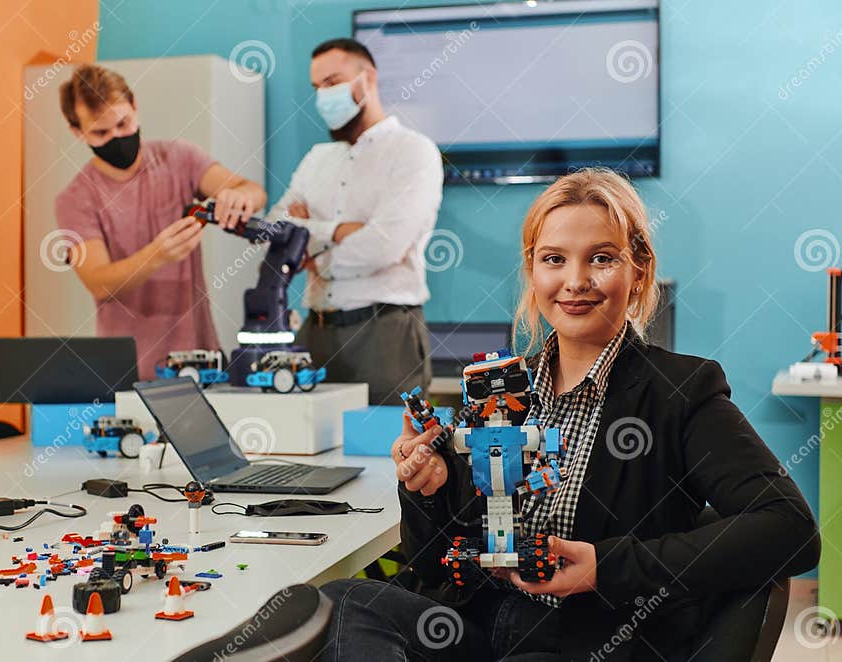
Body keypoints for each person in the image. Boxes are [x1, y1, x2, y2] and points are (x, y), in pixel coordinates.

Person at [319, 168, 820, 661]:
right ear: (533, 270)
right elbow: (431, 565)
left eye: (601, 258)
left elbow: (789, 527)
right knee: (342, 605)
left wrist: (604, 566)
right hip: (471, 624)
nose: (575, 281)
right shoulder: (498, 390)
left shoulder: (682, 391)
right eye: (554, 259)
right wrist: (425, 491)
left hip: (584, 639)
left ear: (638, 270)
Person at [55, 64, 266, 379]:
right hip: (131, 371)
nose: (117, 137)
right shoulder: (75, 198)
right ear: (77, 132)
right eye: (101, 132)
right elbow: (98, 282)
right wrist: (157, 255)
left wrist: (241, 198)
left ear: (136, 107)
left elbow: (252, 191)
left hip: (203, 360)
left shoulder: (179, 158)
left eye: (123, 123)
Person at [267, 38, 443, 404]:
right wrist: (340, 232)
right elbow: (275, 230)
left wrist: (313, 247)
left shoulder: (414, 151)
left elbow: (384, 246)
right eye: (316, 88)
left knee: (389, 452)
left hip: (384, 335)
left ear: (368, 78)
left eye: (332, 82)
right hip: (314, 334)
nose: (322, 96)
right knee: (309, 453)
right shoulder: (317, 159)